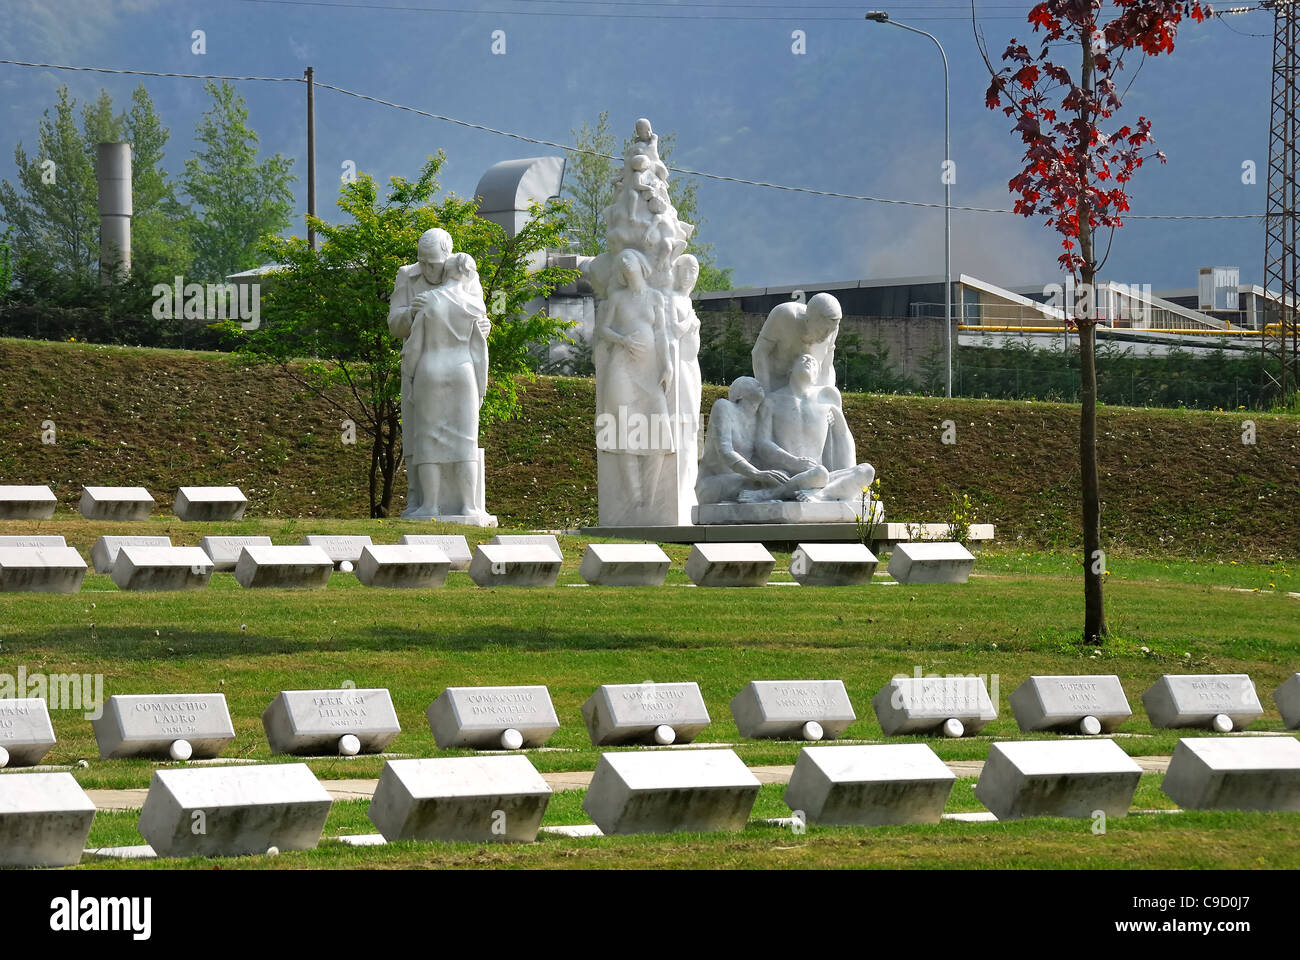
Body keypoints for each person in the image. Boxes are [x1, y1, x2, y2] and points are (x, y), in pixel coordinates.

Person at [389, 233, 492, 521]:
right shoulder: (407, 277)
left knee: (438, 438)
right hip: (448, 367)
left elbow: (481, 321)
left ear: (447, 258)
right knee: (417, 435)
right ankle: (418, 497)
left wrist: (485, 328)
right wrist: (411, 313)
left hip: (428, 367)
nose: (427, 269)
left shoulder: (466, 277)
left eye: (432, 263)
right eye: (422, 262)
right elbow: (394, 325)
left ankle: (449, 503)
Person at [593, 248, 673, 519]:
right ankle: (634, 501)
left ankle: (650, 500)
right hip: (622, 365)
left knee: (658, 424)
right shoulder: (617, 298)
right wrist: (622, 340)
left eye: (629, 257)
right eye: (621, 261)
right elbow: (602, 329)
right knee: (622, 428)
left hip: (649, 367)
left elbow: (662, 332)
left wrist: (667, 364)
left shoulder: (655, 297)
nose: (625, 262)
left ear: (640, 264)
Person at [747, 353, 875, 503]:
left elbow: (843, 442)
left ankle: (821, 495)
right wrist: (793, 462)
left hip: (821, 478)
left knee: (867, 471)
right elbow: (762, 443)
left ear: (817, 375)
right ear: (790, 370)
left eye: (814, 363)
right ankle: (771, 494)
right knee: (819, 473)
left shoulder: (826, 399)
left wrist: (840, 421)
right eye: (803, 359)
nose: (809, 361)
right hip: (787, 475)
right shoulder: (772, 401)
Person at [695, 377, 791, 504]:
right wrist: (756, 474)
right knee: (761, 482)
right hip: (712, 484)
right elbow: (725, 451)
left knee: (782, 476)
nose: (758, 383)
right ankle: (764, 497)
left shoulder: (759, 420)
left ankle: (765, 497)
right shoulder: (724, 406)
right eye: (751, 382)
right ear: (738, 394)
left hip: (744, 478)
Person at [750, 292, 843, 395]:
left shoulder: (832, 326)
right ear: (807, 320)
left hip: (809, 392)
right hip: (776, 388)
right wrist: (766, 393)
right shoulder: (783, 315)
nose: (826, 336)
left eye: (831, 331)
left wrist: (827, 395)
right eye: (821, 330)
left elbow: (827, 365)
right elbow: (760, 351)